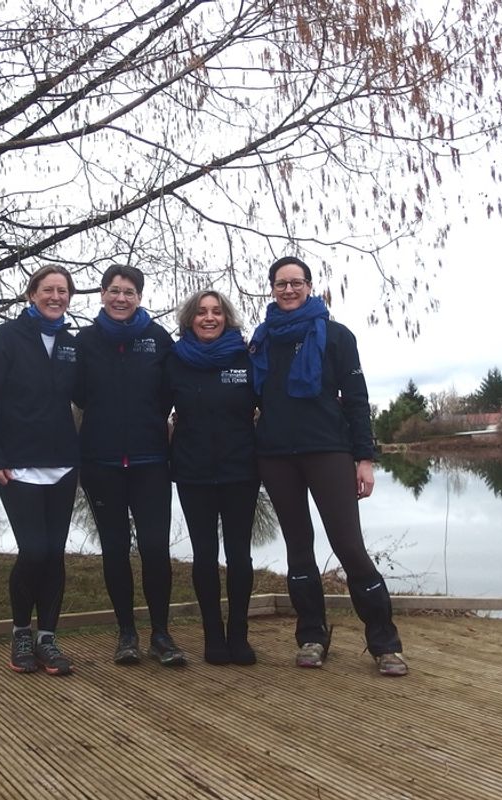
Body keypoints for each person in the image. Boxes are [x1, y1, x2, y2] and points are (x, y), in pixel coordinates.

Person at [251, 255, 408, 677]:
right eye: (280, 283)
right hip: (277, 456)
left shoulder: (337, 336)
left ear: (309, 286)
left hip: (329, 451)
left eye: (295, 282)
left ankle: (384, 642)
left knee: (349, 546)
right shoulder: (261, 340)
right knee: (298, 548)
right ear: (271, 288)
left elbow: (357, 400)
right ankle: (312, 637)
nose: (288, 290)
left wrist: (365, 459)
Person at [74, 264, 184, 667]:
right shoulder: (83, 341)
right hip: (100, 462)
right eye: (114, 290)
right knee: (115, 549)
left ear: (140, 297)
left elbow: (169, 394)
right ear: (102, 294)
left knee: (155, 549)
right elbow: (80, 395)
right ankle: (126, 634)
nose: (121, 298)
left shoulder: (157, 339)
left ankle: (161, 633)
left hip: (150, 461)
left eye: (130, 292)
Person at [0, 264, 81, 676]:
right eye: (48, 289)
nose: (56, 297)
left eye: (63, 291)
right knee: (34, 550)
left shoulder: (72, 344)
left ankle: (48, 639)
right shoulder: (4, 339)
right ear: (31, 294)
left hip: (63, 465)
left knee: (55, 555)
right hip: (17, 466)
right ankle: (22, 631)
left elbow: (93, 394)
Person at [167, 290, 260, 665]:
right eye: (202, 312)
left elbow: (271, 402)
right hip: (193, 472)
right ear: (190, 318)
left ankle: (239, 635)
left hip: (241, 470)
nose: (209, 318)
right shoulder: (173, 361)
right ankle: (213, 637)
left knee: (240, 555)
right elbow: (153, 410)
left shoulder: (246, 357)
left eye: (217, 312)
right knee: (204, 555)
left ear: (227, 318)